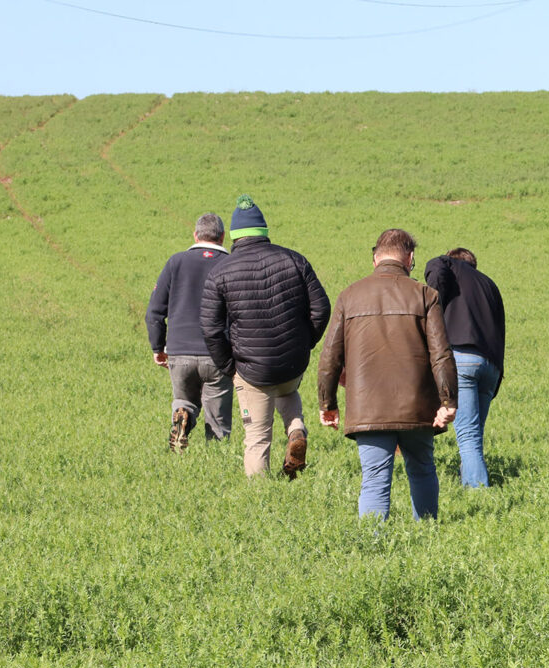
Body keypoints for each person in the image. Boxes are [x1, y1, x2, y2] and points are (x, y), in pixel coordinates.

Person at [317, 229, 457, 519]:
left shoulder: (349, 296)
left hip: (368, 408)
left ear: (375, 259)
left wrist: (327, 404)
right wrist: (448, 402)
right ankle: (429, 538)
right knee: (422, 470)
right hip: (417, 407)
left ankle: (372, 547)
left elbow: (330, 356)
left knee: (374, 479)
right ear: (410, 258)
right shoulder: (425, 295)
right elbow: (441, 354)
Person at [201, 194, 330, 479]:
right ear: (264, 230)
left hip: (251, 368)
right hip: (291, 363)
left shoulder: (219, 272)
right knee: (287, 391)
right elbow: (321, 308)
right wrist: (303, 343)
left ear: (234, 236)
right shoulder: (295, 260)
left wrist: (229, 366)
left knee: (258, 437)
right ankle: (296, 430)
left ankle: (260, 502)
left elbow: (210, 328)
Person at [145, 212, 233, 451]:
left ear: (195, 235)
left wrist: (157, 347)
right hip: (218, 354)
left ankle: (181, 414)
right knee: (218, 421)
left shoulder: (176, 262)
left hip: (179, 350)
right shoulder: (231, 264)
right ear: (223, 237)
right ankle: (216, 463)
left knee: (184, 399)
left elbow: (154, 312)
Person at [424, 248, 505, 488]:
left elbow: (436, 267)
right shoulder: (490, 285)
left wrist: (434, 302)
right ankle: (467, 483)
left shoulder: (446, 264)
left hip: (463, 359)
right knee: (474, 435)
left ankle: (478, 494)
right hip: (491, 366)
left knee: (467, 436)